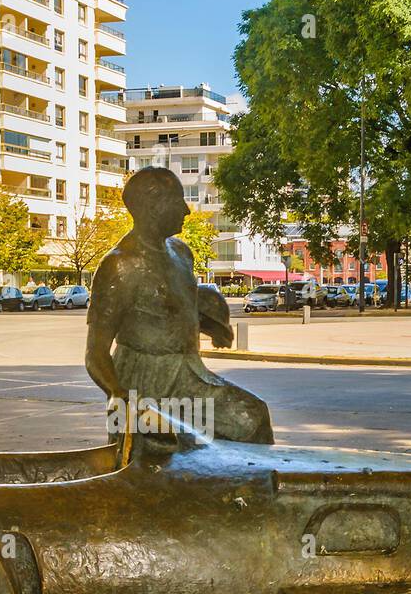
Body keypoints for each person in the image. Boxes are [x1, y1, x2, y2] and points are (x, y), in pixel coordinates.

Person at [86, 166, 274, 444]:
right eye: (178, 200)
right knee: (161, 462)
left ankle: (237, 486)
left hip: (188, 375)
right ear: (153, 206)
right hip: (145, 386)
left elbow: (175, 308)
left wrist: (210, 326)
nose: (186, 210)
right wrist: (118, 394)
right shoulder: (120, 265)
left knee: (252, 418)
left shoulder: (181, 253)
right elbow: (95, 353)